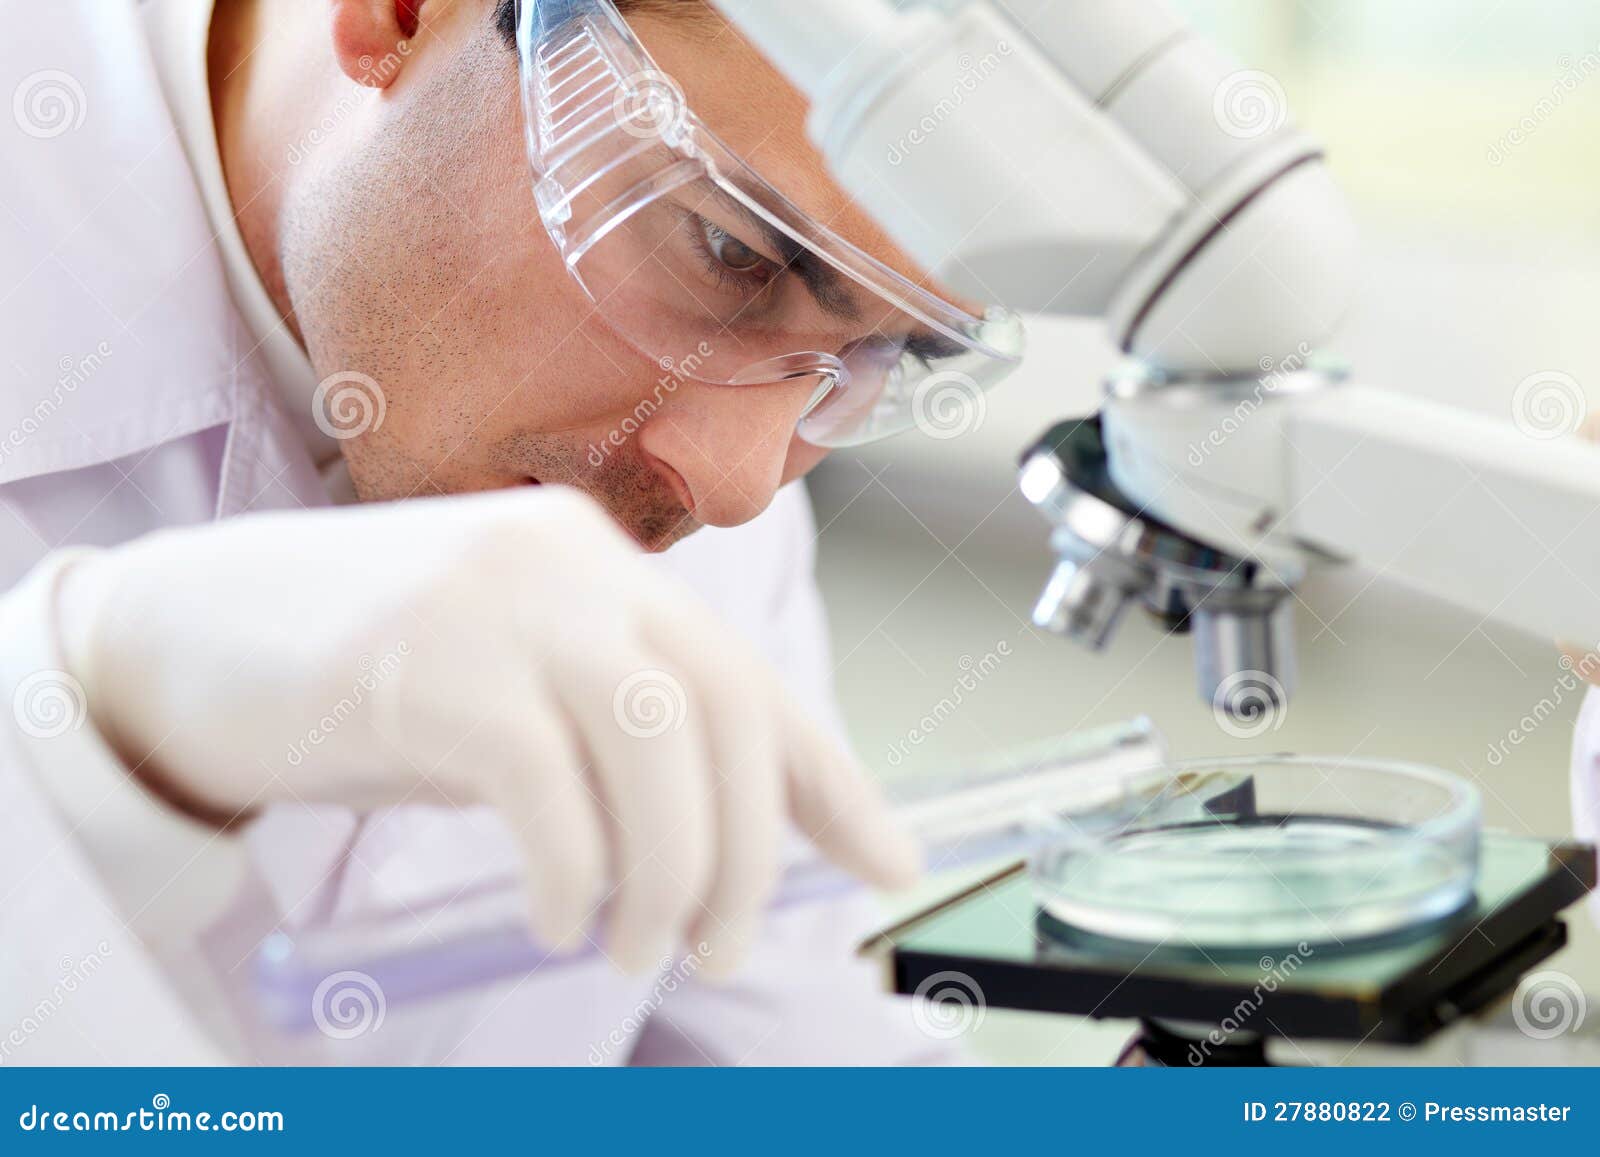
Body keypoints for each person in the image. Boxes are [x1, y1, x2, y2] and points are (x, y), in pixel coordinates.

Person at [0, 0, 996, 1064]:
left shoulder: (695, 485)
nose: (736, 483)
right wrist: (75, 720)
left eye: (893, 355)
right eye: (727, 250)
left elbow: (801, 1058)